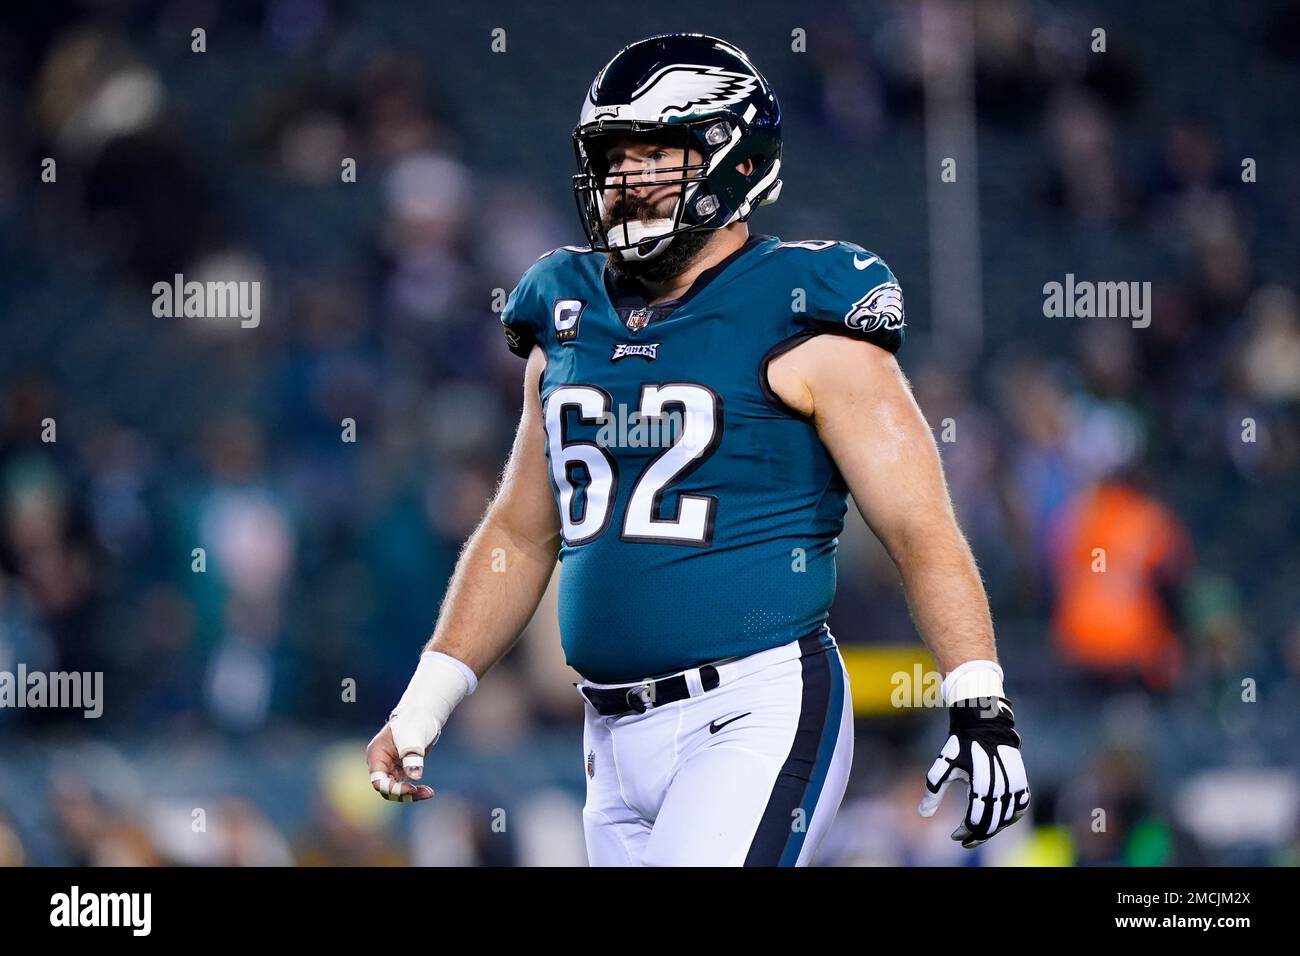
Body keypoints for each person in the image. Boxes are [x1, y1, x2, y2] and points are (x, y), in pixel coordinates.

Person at [366, 32, 1030, 866]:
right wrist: (424, 705)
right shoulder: (563, 312)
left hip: (753, 708)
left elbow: (919, 527)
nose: (627, 183)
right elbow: (518, 534)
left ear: (736, 161)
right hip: (605, 736)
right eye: (614, 159)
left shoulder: (807, 313)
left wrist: (978, 695)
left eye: (657, 156)